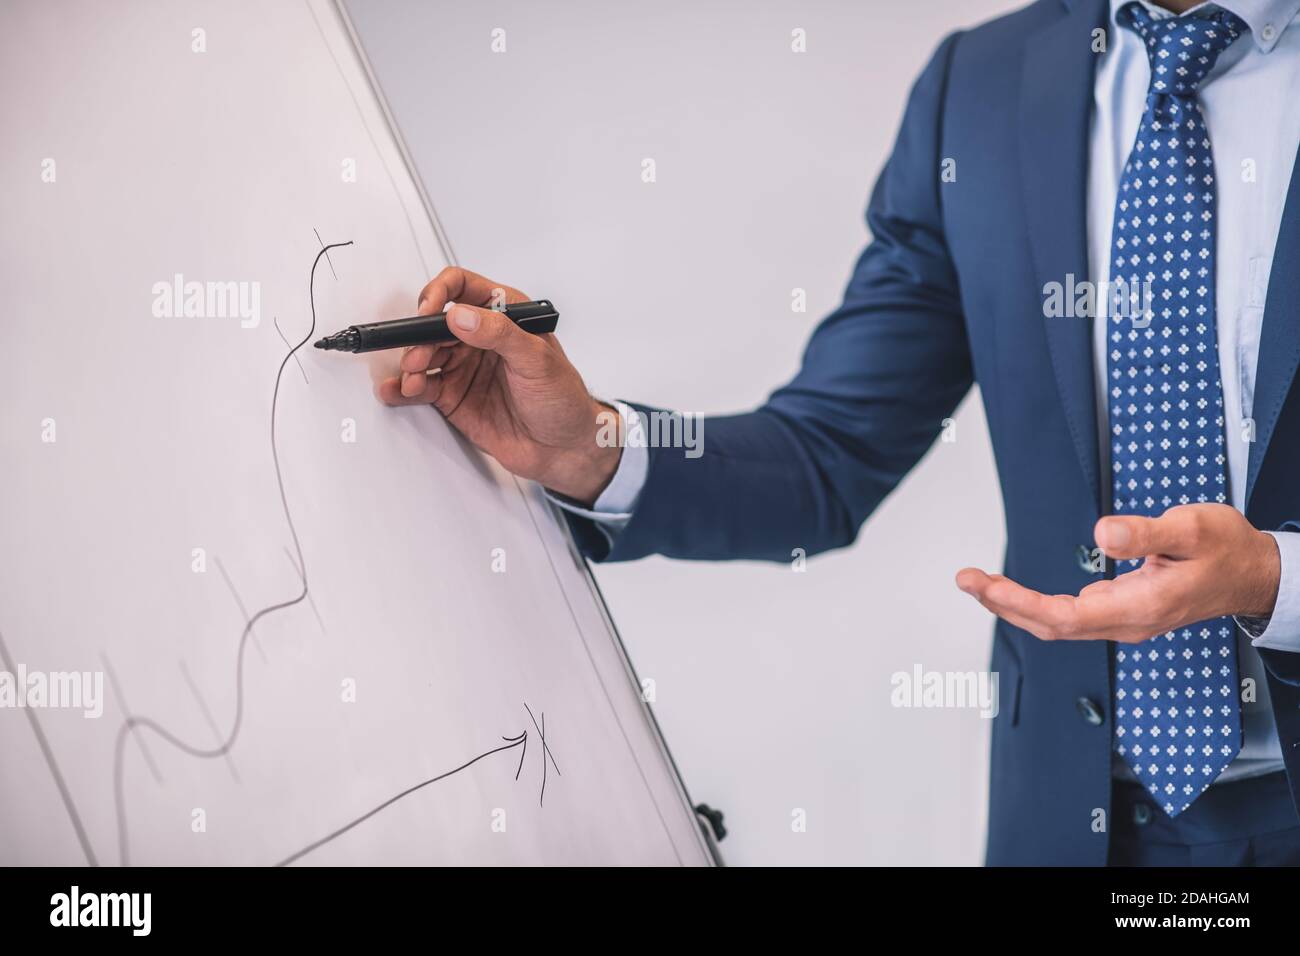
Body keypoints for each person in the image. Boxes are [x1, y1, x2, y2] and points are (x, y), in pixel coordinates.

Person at [376, 0, 1300, 865]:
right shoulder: (980, 86)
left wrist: (1272, 579)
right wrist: (589, 446)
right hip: (1074, 818)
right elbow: (828, 456)